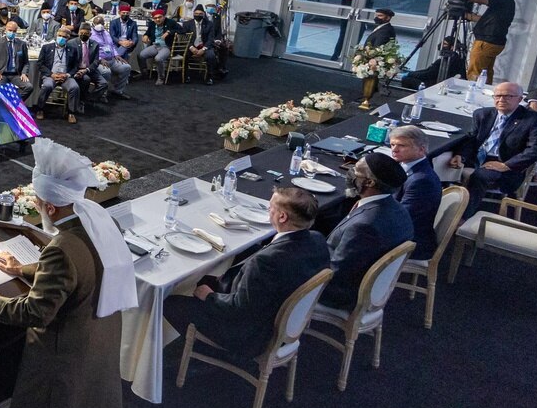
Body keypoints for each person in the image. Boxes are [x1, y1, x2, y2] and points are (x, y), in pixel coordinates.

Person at [0, 140, 135, 408]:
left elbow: (36, 312)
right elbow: (79, 268)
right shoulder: (96, 219)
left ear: (48, 205)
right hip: (99, 339)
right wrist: (25, 267)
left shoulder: (62, 247)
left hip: (63, 355)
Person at [164, 184, 330, 356]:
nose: (268, 210)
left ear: (282, 217)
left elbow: (239, 309)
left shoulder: (266, 261)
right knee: (209, 276)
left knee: (170, 303)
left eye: (271, 207)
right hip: (280, 319)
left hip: (251, 335)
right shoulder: (318, 240)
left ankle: (207, 352)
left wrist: (209, 296)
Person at [320, 153, 414, 310]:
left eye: (356, 171)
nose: (350, 173)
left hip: (339, 294)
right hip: (367, 284)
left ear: (369, 182)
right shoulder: (399, 209)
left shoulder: (363, 227)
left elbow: (337, 273)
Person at [450, 81, 537, 217]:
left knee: (479, 176)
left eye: (508, 96)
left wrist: (505, 165)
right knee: (441, 160)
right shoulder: (482, 114)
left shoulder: (532, 119)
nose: (501, 100)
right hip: (477, 157)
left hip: (506, 163)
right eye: (498, 96)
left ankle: (461, 218)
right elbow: (471, 139)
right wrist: (461, 155)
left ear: (519, 99)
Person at [388, 125, 443, 261]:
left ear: (421, 150)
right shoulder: (406, 166)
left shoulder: (422, 181)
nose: (394, 150)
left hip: (409, 244)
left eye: (401, 146)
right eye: (392, 144)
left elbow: (402, 219)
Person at [447, 0, 518, 80]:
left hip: (485, 43)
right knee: (486, 74)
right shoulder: (507, 2)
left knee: (475, 74)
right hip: (495, 43)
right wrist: (467, 16)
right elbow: (488, 20)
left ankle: (472, 93)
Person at [29, 26, 83, 124]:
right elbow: (40, 64)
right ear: (56, 35)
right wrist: (51, 74)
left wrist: (67, 75)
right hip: (50, 75)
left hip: (66, 76)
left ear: (68, 38)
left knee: (74, 87)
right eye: (59, 35)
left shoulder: (73, 49)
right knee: (47, 86)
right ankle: (40, 109)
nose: (61, 38)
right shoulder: (46, 47)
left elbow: (75, 66)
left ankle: (71, 112)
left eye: (64, 37)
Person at [0, 22, 33, 96]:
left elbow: (26, 62)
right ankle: (8, 104)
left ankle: (14, 104)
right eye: (10, 30)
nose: (11, 33)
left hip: (16, 75)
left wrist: (24, 73)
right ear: (5, 30)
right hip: (1, 74)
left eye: (14, 31)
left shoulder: (22, 44)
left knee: (29, 87)